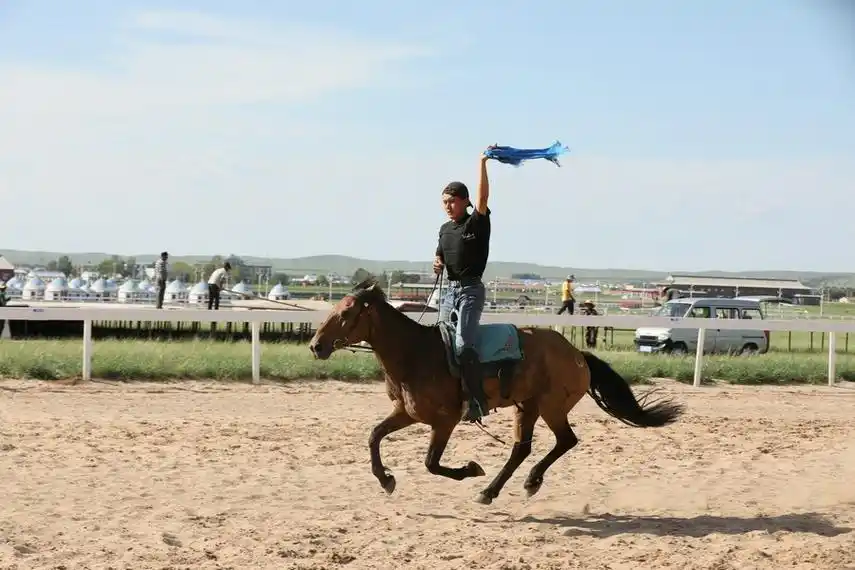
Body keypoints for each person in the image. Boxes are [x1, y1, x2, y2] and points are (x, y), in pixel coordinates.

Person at [433, 148, 494, 423]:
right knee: (441, 343)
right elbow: (440, 255)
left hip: (471, 291)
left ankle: (477, 401)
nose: (448, 206)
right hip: (449, 292)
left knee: (462, 344)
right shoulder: (445, 229)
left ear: (465, 201)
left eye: (452, 201)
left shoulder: (477, 222)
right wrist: (437, 262)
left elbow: (483, 197)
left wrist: (482, 163)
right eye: (444, 202)